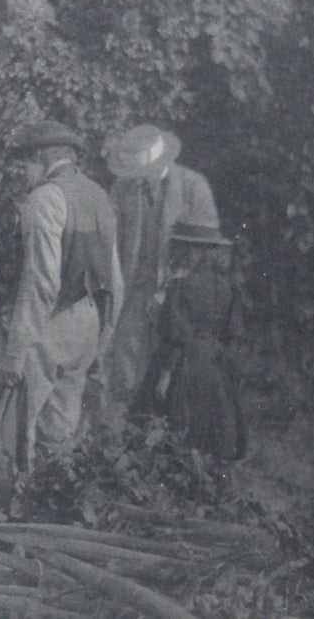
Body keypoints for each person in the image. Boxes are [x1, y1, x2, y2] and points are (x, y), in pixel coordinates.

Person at [0, 120, 123, 469]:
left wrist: (16, 349)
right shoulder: (99, 196)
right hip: (88, 321)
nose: (23, 172)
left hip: (49, 325)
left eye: (25, 162)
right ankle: (53, 500)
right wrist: (104, 336)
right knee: (62, 427)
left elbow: (41, 282)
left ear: (42, 158)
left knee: (20, 428)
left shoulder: (44, 199)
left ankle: (17, 504)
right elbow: (116, 279)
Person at [104, 124, 218, 420]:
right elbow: (113, 244)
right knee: (125, 361)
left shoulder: (194, 187)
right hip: (134, 288)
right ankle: (127, 429)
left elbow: (204, 250)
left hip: (178, 291)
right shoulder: (123, 189)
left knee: (169, 365)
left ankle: (166, 431)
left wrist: (169, 289)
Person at [133, 218, 245, 459]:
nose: (178, 253)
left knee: (164, 424)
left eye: (182, 247)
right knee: (210, 433)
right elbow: (233, 334)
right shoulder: (228, 288)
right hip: (214, 364)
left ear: (195, 250)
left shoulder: (180, 286)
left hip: (181, 362)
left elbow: (172, 334)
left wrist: (165, 374)